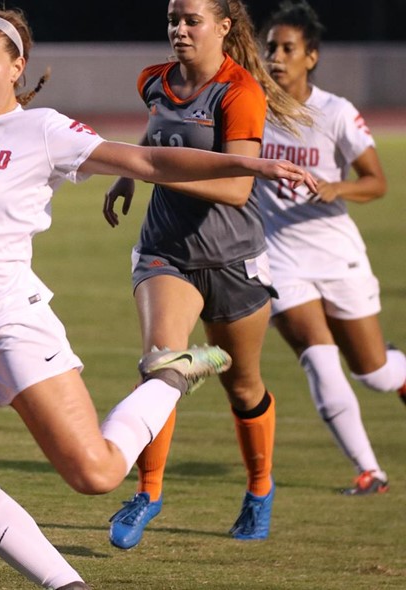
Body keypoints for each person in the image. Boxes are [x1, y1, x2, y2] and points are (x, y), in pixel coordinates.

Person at [0, 7, 314, 588]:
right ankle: (67, 584)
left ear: (17, 67)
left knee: (97, 474)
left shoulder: (43, 130)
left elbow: (147, 160)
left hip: (12, 323)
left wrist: (250, 162)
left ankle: (172, 377)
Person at [101, 0, 312, 548]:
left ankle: (259, 490)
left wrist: (154, 174)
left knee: (243, 387)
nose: (178, 29)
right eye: (173, 18)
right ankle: (147, 493)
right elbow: (156, 142)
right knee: (160, 367)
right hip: (165, 253)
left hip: (234, 258)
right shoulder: (153, 80)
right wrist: (130, 176)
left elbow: (236, 188)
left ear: (223, 26)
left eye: (191, 19)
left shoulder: (239, 91)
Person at [257, 0, 404, 496]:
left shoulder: (336, 112)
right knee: (319, 362)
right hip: (278, 257)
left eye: (287, 48)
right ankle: (370, 471)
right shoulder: (251, 108)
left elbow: (376, 182)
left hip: (336, 253)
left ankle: (396, 367)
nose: (276, 56)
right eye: (271, 47)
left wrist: (335, 187)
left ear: (311, 56)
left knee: (375, 374)